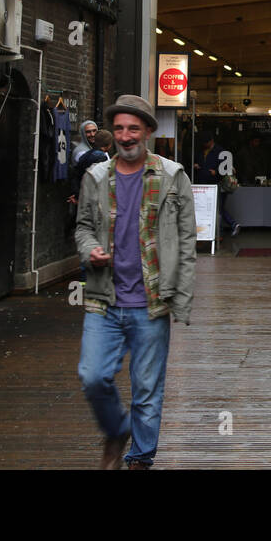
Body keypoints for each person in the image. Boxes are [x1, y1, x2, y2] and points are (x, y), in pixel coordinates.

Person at [75, 95, 196, 470]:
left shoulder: (173, 176)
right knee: (92, 376)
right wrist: (91, 249)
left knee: (147, 390)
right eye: (121, 128)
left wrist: (182, 297)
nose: (126, 136)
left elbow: (188, 240)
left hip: (152, 300)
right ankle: (117, 429)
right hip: (104, 299)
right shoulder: (95, 177)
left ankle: (140, 458)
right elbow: (81, 228)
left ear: (147, 132)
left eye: (134, 128)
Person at [193, 132, 239, 237]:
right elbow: (198, 161)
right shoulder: (201, 151)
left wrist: (217, 172)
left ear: (211, 141)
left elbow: (227, 168)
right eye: (204, 143)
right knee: (213, 208)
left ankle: (222, 232)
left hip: (216, 183)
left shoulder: (220, 151)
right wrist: (196, 165)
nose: (205, 145)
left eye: (206, 143)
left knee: (217, 208)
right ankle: (220, 231)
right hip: (204, 183)